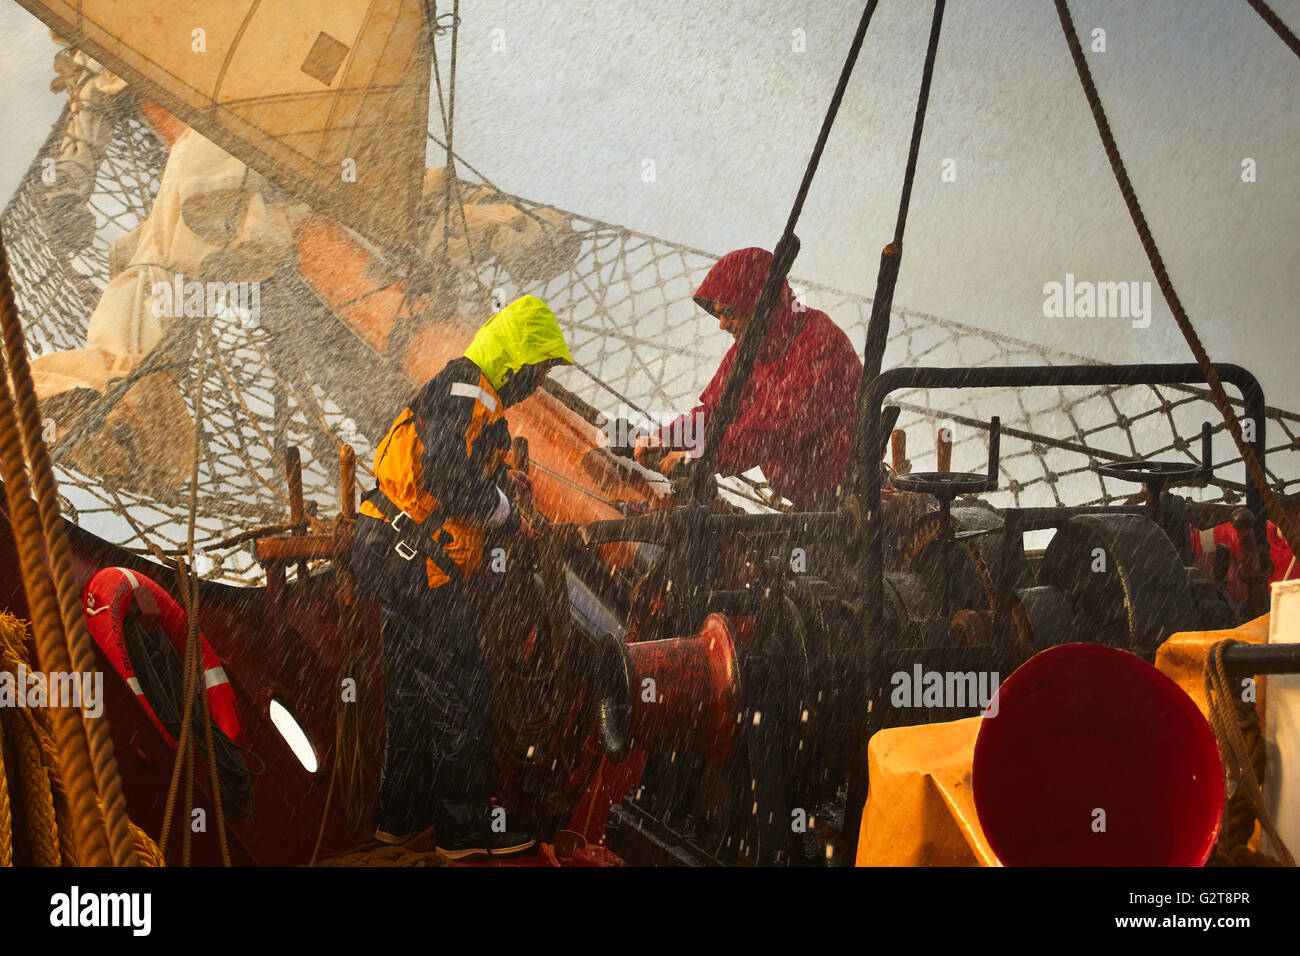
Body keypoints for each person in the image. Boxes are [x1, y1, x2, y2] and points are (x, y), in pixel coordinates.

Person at [349, 294, 573, 859]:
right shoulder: (469, 389)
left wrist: (496, 506)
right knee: (462, 692)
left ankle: (399, 817)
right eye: (540, 369)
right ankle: (464, 831)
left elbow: (447, 473)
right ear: (517, 358)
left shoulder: (465, 393)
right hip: (416, 565)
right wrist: (505, 512)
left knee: (410, 693)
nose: (539, 382)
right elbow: (450, 475)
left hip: (386, 554)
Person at [634, 247, 864, 510]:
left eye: (729, 312)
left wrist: (698, 457)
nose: (721, 324)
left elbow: (774, 429)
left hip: (843, 505)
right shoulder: (749, 349)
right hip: (809, 506)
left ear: (759, 305)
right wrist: (667, 438)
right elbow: (715, 414)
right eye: (718, 313)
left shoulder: (819, 342)